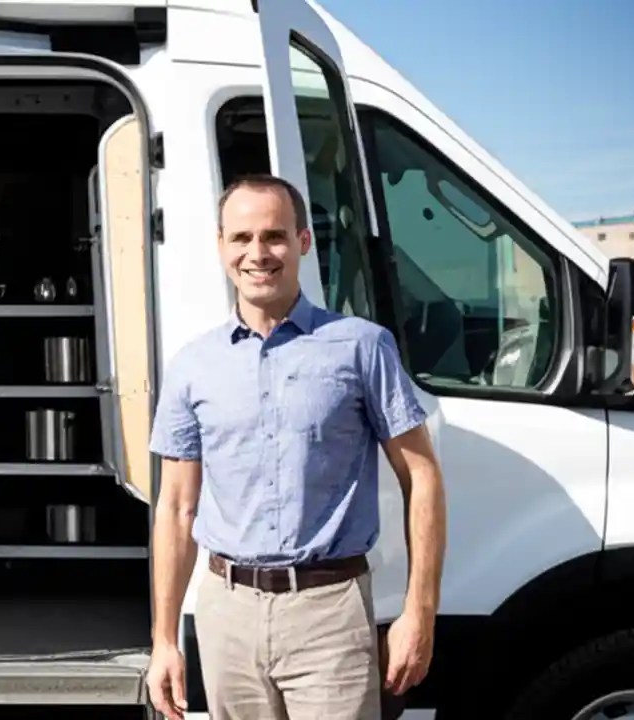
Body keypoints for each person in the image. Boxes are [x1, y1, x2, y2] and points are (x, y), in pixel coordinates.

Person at [144, 174, 447, 720]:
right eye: (241, 239)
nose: (257, 253)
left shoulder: (361, 346)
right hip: (225, 615)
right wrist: (165, 639)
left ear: (303, 241)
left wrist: (418, 613)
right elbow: (176, 507)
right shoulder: (194, 365)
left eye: (274, 236)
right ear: (220, 246)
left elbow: (421, 477)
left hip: (329, 613)